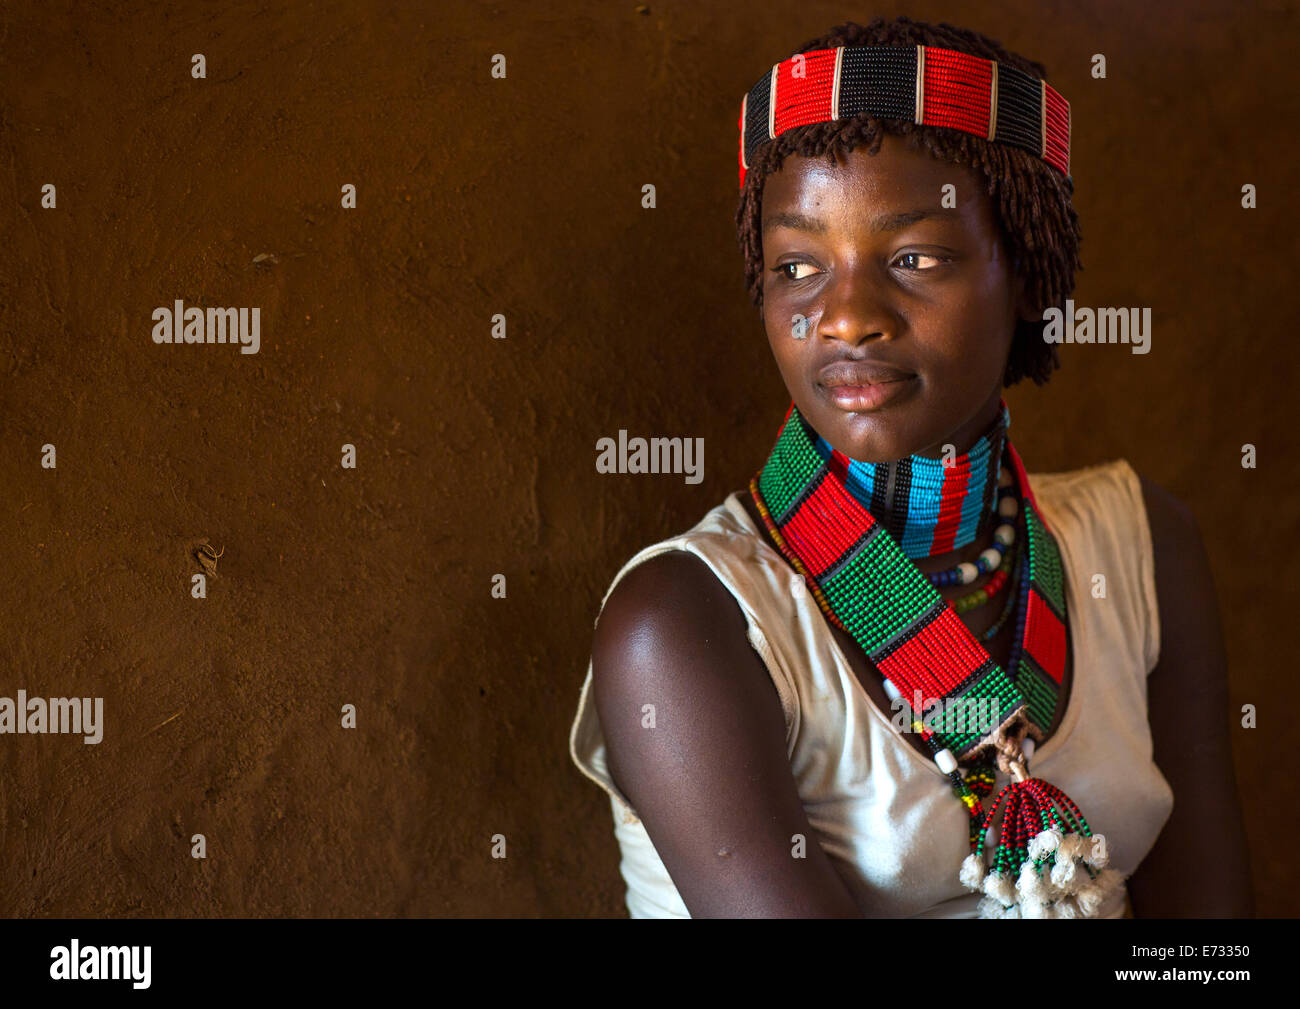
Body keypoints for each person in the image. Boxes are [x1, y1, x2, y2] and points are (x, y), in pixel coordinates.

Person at [568, 15, 1252, 918]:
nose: (847, 317)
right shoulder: (687, 625)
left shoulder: (1138, 547)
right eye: (798, 267)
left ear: (1029, 274)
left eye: (915, 257)